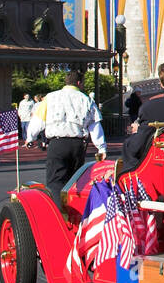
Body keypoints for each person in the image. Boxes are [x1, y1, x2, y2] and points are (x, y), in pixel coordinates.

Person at [27, 70, 107, 208]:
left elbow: (38, 120)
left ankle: (59, 214)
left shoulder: (50, 98)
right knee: (76, 181)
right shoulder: (86, 99)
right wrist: (101, 147)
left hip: (57, 144)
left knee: (56, 182)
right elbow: (95, 125)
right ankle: (75, 212)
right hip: (77, 145)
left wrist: (30, 138)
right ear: (78, 83)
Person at [118, 61, 164, 175]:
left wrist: (136, 132)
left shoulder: (151, 107)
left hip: (159, 172)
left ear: (162, 84)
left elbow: (136, 147)